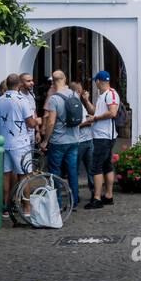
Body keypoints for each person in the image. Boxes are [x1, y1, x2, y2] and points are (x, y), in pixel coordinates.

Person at [0, 74, 34, 217]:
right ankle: (27, 207)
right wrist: (38, 121)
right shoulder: (22, 100)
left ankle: (5, 207)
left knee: (5, 175)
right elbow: (30, 123)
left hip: (3, 143)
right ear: (19, 85)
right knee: (24, 176)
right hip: (20, 143)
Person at [42, 70, 84, 208]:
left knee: (55, 172)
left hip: (58, 141)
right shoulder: (75, 95)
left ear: (53, 82)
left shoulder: (54, 99)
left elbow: (51, 122)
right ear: (65, 79)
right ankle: (74, 200)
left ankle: (58, 203)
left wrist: (45, 140)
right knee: (72, 171)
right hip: (74, 139)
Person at [84, 70, 121, 209]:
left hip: (104, 136)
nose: (95, 83)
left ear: (98, 81)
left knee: (96, 167)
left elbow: (112, 113)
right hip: (102, 135)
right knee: (106, 166)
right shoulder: (103, 96)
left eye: (96, 81)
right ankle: (108, 196)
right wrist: (87, 101)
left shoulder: (111, 94)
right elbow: (95, 111)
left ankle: (97, 198)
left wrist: (96, 119)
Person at [70, 77, 97, 205]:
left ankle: (94, 193)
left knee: (91, 168)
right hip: (78, 141)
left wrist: (86, 100)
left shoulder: (81, 103)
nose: (82, 92)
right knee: (74, 169)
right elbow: (74, 125)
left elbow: (93, 112)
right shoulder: (72, 104)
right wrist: (87, 122)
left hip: (89, 139)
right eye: (80, 90)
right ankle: (74, 195)